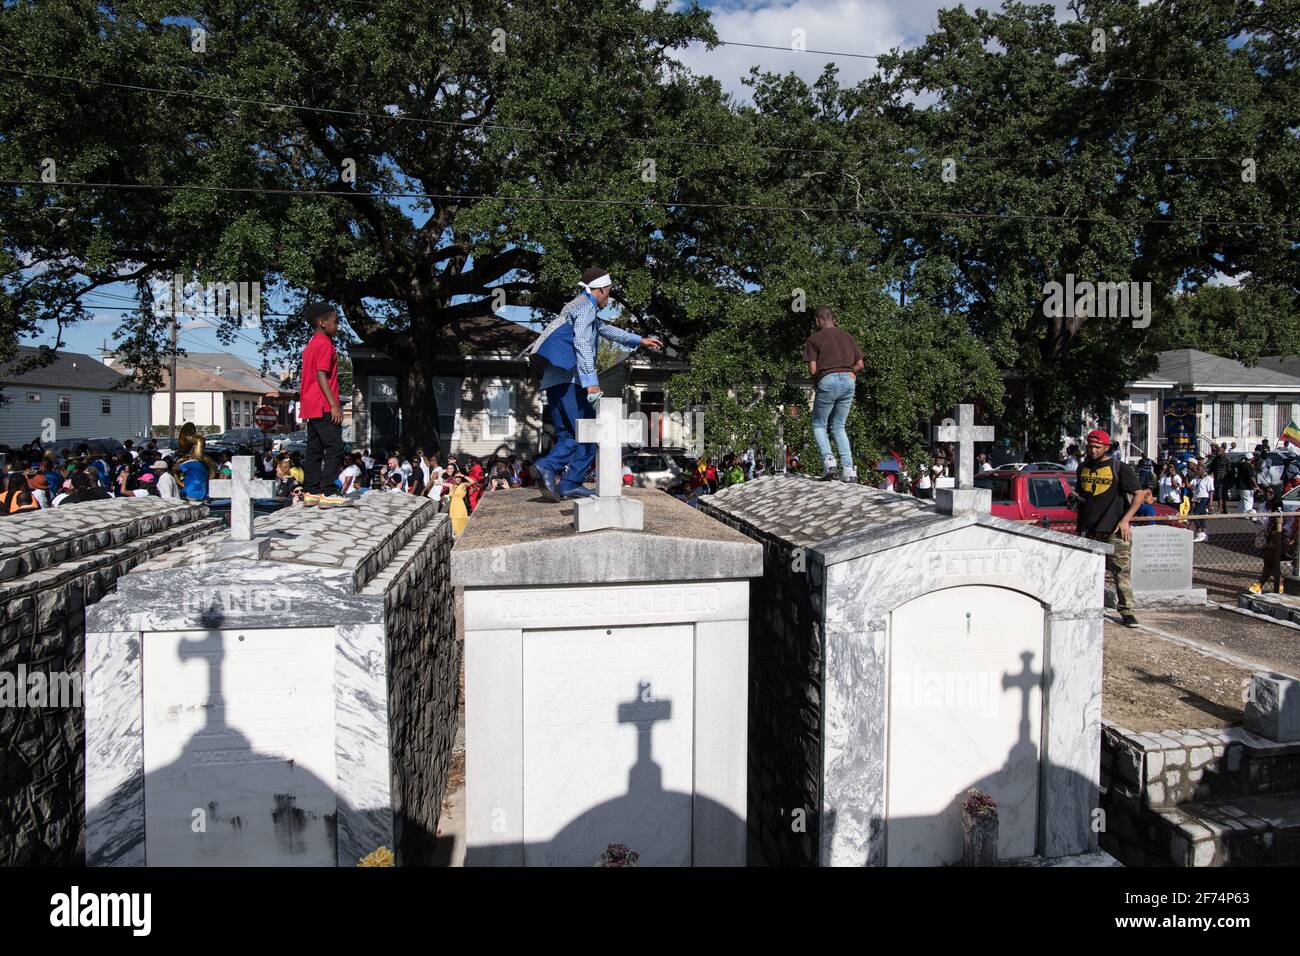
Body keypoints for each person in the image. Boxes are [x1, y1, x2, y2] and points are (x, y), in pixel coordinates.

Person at [526, 266, 663, 501]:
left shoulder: (574, 306)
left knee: (569, 435)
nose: (608, 299)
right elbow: (582, 342)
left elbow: (606, 330)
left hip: (554, 380)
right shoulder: (587, 307)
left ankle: (560, 477)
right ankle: (556, 473)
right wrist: (590, 380)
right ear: (598, 290)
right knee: (591, 434)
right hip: (571, 380)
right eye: (608, 293)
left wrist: (639, 340)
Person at [1073, 429, 1149, 627]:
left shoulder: (1120, 468)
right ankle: (1088, 606)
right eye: (1090, 446)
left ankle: (1127, 612)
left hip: (1114, 531)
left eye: (1097, 447)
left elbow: (1139, 495)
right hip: (1089, 530)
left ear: (1106, 447)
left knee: (1121, 573)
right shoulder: (1083, 468)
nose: (1093, 450)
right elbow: (1082, 493)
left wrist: (1126, 520)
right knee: (1087, 572)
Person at [802, 305, 863, 482]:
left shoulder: (814, 339)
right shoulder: (847, 336)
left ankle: (829, 462)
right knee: (839, 425)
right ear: (833, 319)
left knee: (819, 424)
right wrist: (848, 371)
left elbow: (813, 370)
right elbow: (860, 364)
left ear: (817, 320)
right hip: (849, 381)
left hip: (827, 381)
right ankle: (849, 469)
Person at [299, 301, 346, 507]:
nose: (338, 326)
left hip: (311, 404)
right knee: (335, 447)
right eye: (335, 322)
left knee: (314, 449)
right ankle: (329, 491)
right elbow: (321, 375)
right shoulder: (325, 344)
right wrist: (334, 405)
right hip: (324, 404)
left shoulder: (311, 345)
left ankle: (311, 491)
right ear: (323, 323)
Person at [1251, 486, 1287, 594]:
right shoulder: (1263, 505)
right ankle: (1280, 585)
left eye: (1271, 492)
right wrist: (1255, 519)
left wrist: (1284, 530)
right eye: (1267, 492)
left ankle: (1261, 585)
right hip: (1266, 536)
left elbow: (1289, 521)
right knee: (1270, 563)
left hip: (1277, 537)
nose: (1268, 494)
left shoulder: (1281, 507)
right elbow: (1262, 521)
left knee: (1270, 563)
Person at [1189, 462, 1214, 542]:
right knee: (1201, 516)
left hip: (1204, 498)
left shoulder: (1208, 479)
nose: (1197, 471)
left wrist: (1210, 504)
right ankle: (1203, 533)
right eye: (1197, 469)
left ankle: (1200, 531)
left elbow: (1211, 491)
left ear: (1204, 470)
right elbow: (1190, 487)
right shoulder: (1196, 479)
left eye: (1199, 469)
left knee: (1195, 514)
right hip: (1197, 498)